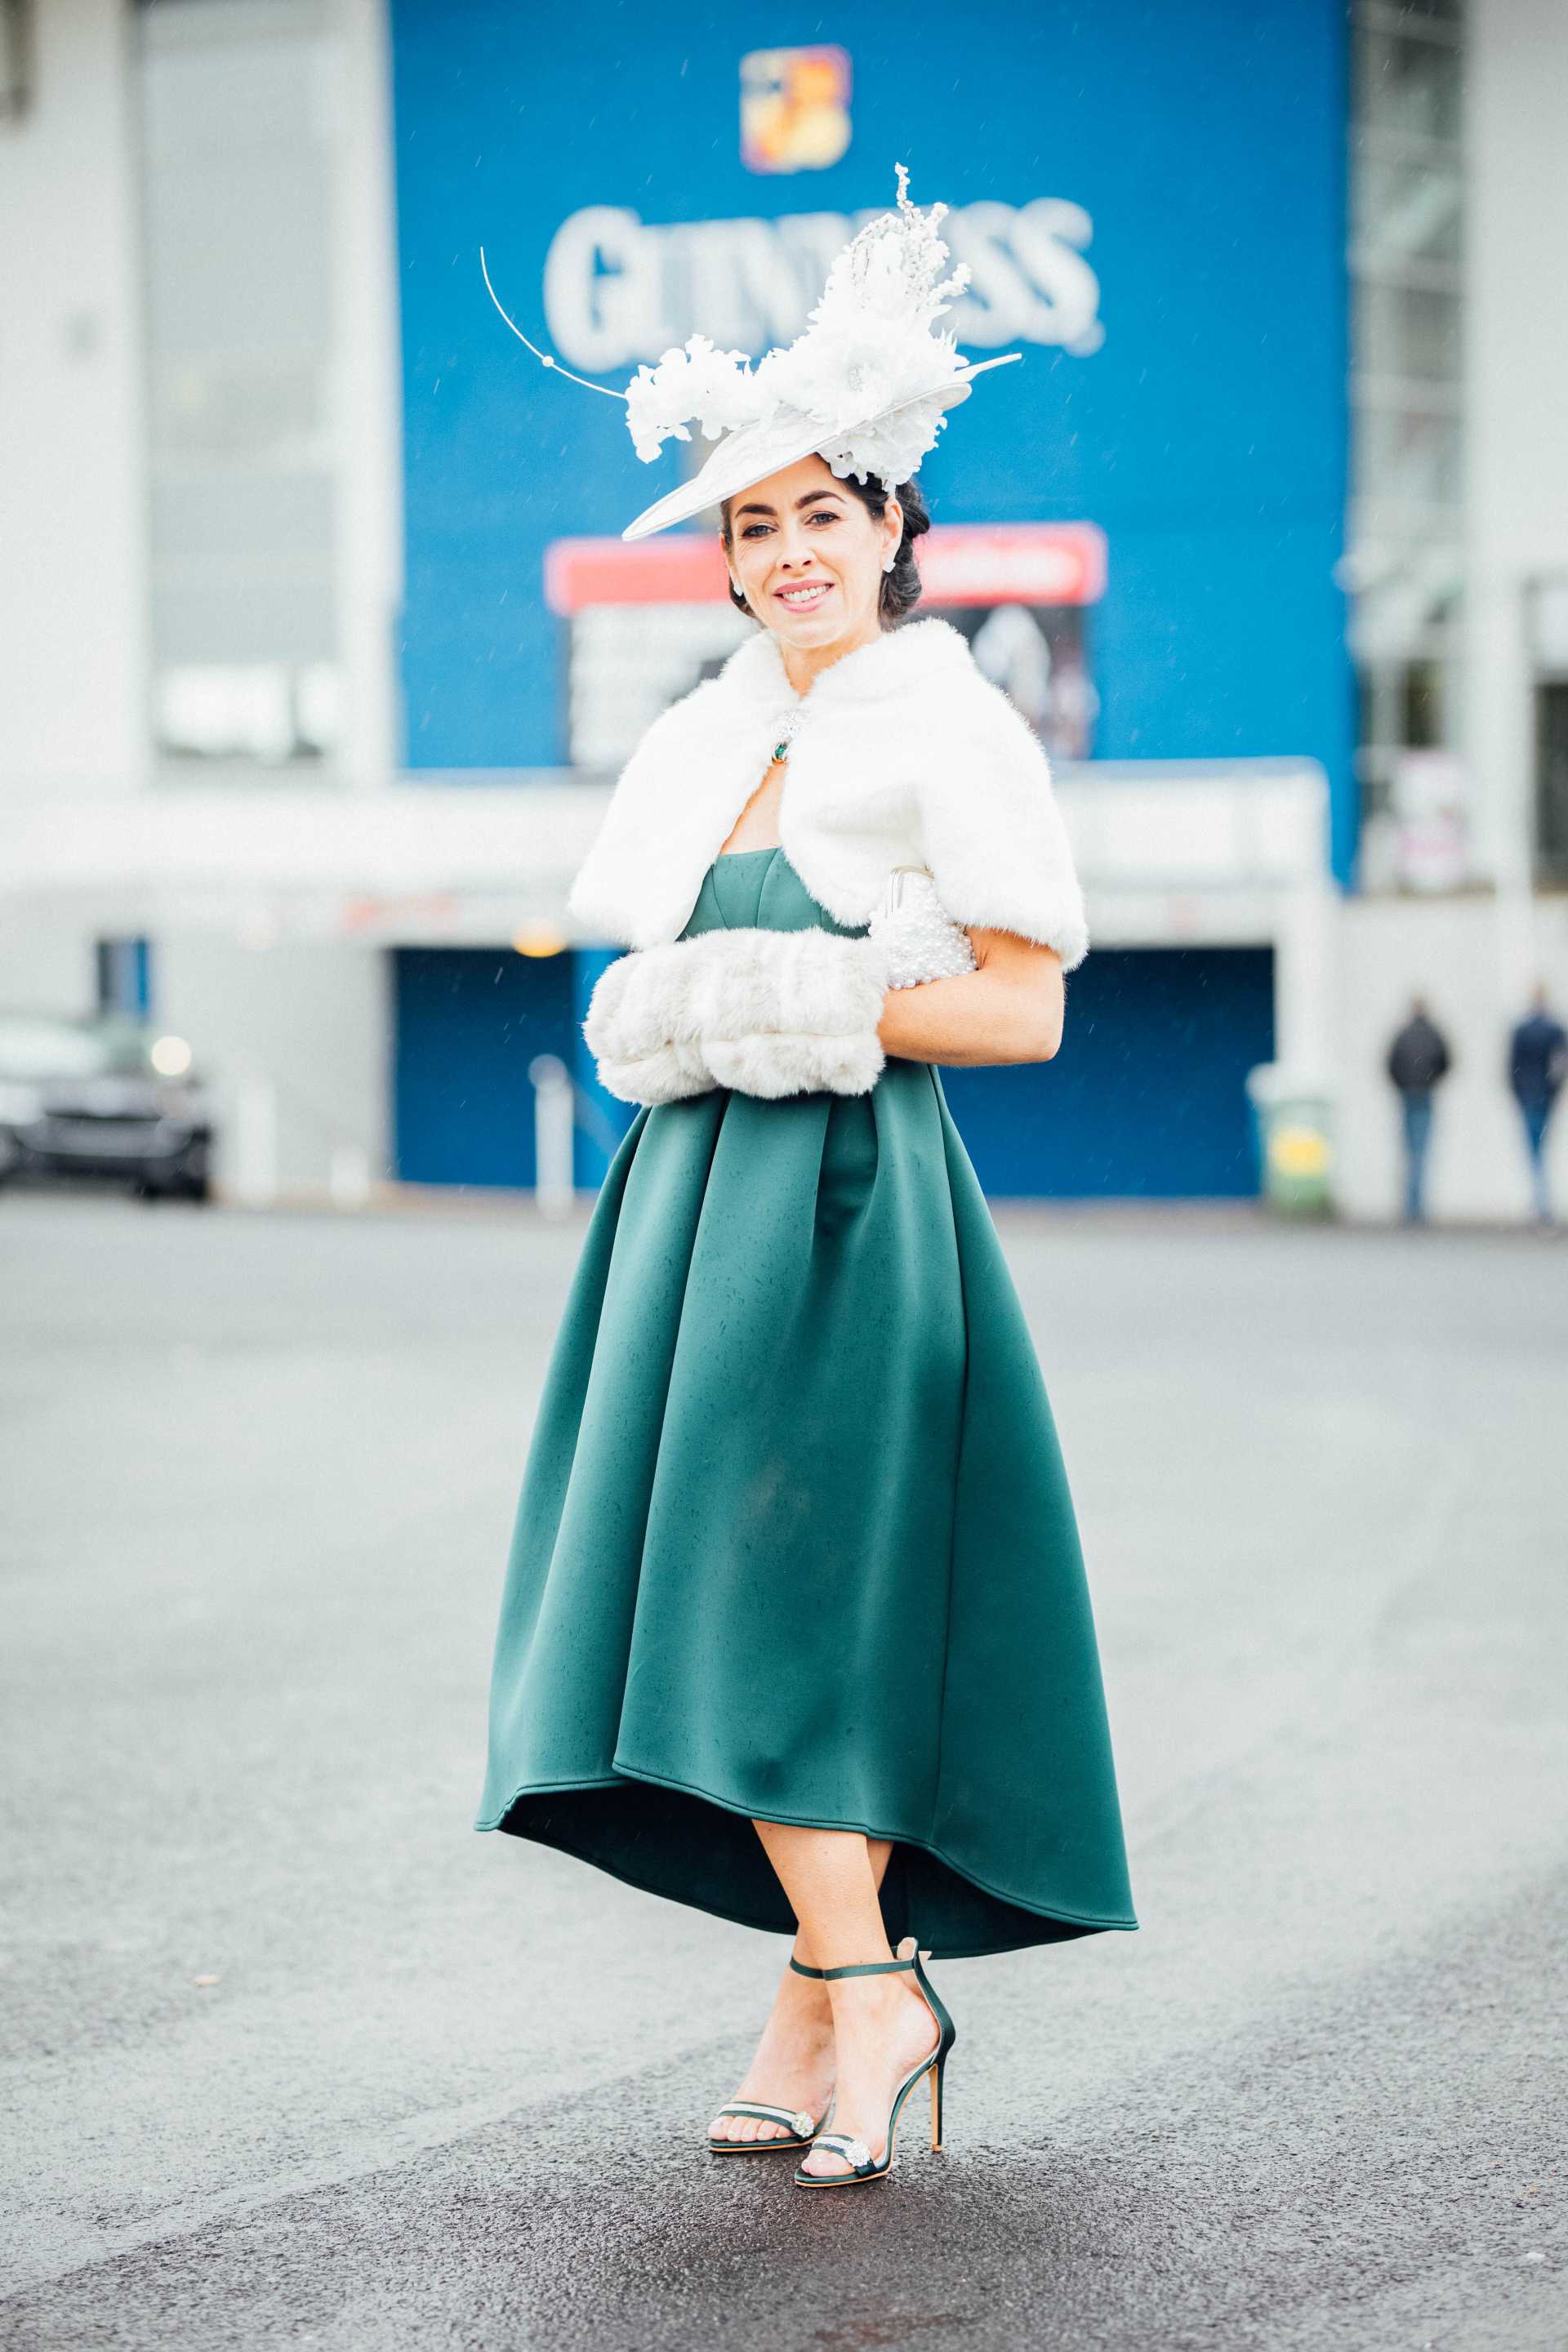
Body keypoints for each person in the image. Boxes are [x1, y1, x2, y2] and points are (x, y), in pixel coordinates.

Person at [475, 169, 1135, 2193]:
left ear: (893, 531)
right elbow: (638, 978)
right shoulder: (704, 743)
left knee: (784, 1612)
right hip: (686, 1219)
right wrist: (680, 1015)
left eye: (819, 516)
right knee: (726, 1605)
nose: (784, 556)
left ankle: (876, 1997)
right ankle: (817, 1995)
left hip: (848, 1216)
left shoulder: (947, 723)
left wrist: (784, 987)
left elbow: (1018, 1012)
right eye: (752, 527)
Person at [1386, 996, 1452, 1225]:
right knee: (1421, 1151)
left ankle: (1411, 1206)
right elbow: (1446, 1062)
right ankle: (1418, 1207)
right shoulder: (1433, 1034)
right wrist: (1431, 1082)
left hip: (1408, 1095)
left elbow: (1391, 1064)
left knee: (1409, 1151)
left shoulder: (1404, 1034)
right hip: (1424, 1094)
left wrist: (1403, 1085)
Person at [1508, 985, 1567, 1224]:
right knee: (1539, 1150)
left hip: (1530, 1097)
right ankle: (1541, 1202)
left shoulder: (1522, 1031)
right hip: (1543, 1097)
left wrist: (1519, 1093)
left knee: (1534, 1152)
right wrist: (1553, 1092)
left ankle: (1540, 1202)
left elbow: (1512, 1067)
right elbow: (1560, 1066)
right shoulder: (1554, 1030)